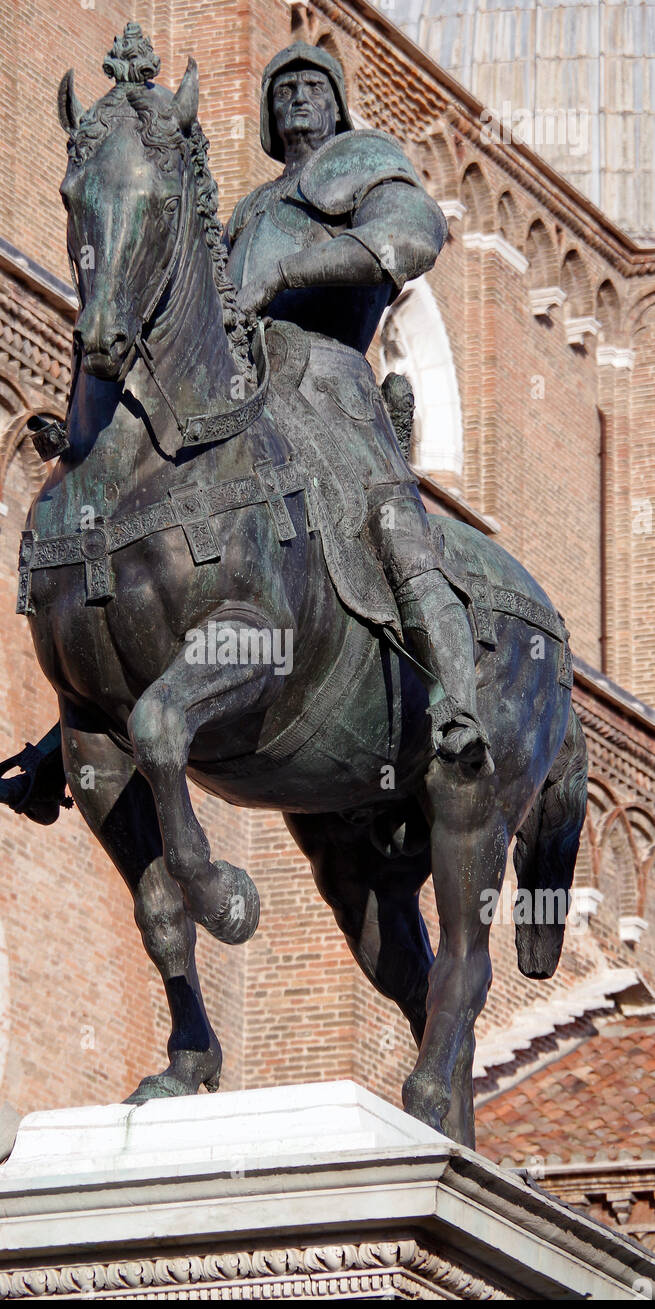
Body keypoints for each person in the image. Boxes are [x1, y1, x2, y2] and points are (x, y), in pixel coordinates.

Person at [225, 41, 493, 773]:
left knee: (393, 525)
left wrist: (284, 274)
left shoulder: (365, 165)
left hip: (327, 381)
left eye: (312, 87)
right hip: (246, 385)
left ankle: (458, 702)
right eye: (282, 92)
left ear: (337, 101)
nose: (297, 101)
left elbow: (407, 236)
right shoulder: (249, 208)